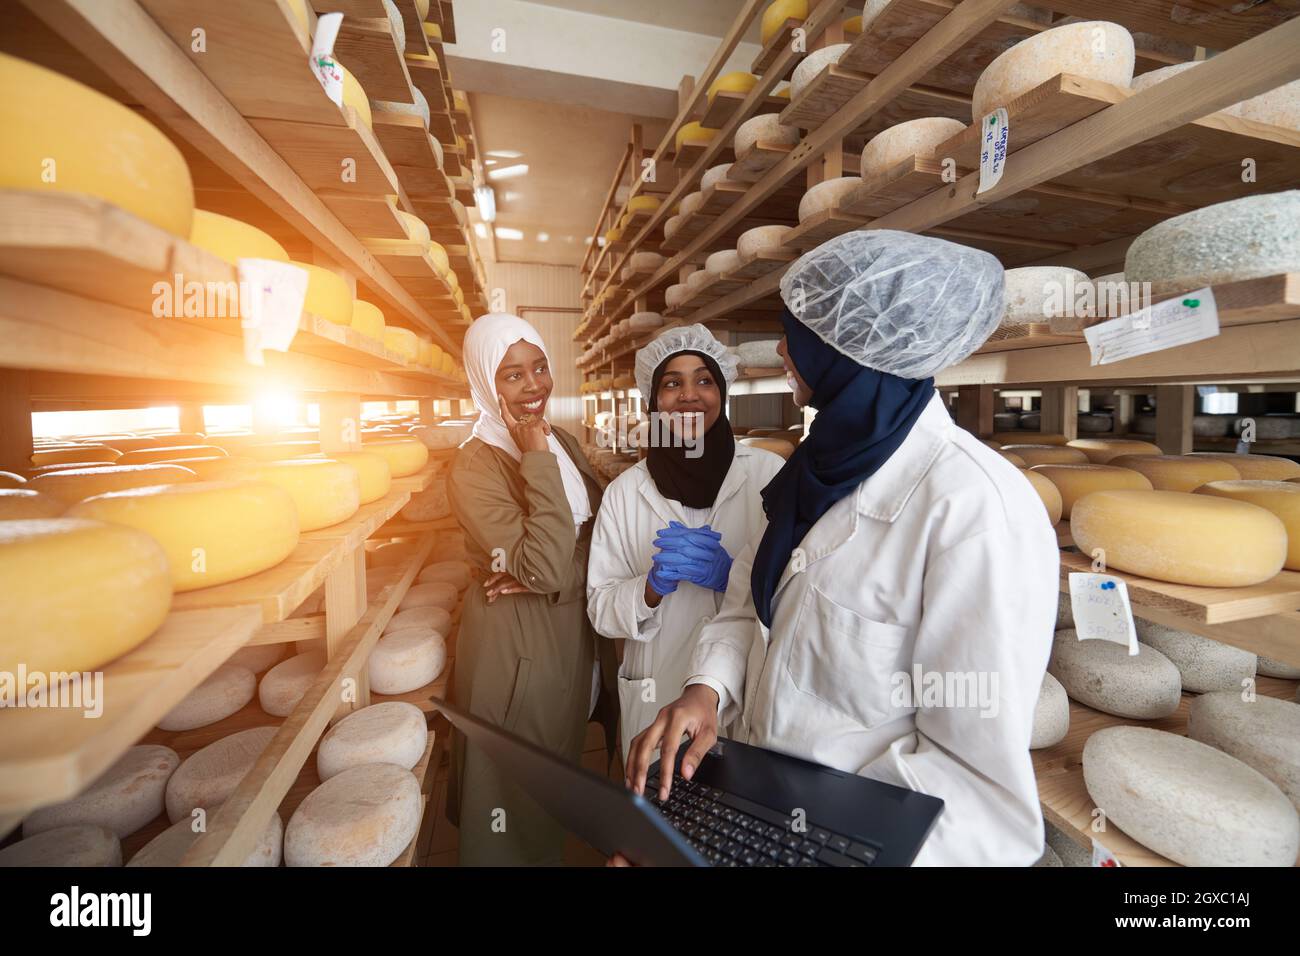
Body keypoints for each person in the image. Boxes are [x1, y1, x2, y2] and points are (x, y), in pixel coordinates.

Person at [622, 231, 1060, 866]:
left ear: (854, 346)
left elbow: (974, 797)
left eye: (797, 331)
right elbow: (750, 608)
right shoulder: (814, 469)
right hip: (758, 805)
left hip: (846, 849)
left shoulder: (976, 509)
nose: (780, 348)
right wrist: (706, 689)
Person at [446, 312, 617, 866]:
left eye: (539, 368)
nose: (534, 386)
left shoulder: (560, 438)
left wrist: (563, 568)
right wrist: (536, 459)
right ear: (482, 381)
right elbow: (544, 566)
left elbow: (592, 543)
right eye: (512, 375)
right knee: (513, 802)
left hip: (570, 633)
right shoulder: (476, 465)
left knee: (556, 771)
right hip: (518, 648)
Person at [586, 325, 786, 761]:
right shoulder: (624, 492)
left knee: (738, 817)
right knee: (660, 812)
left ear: (723, 392)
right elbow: (600, 609)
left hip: (743, 688)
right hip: (657, 689)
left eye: (704, 380)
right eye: (672, 383)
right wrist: (650, 588)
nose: (690, 395)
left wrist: (733, 576)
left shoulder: (768, 475)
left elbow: (795, 593)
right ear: (653, 400)